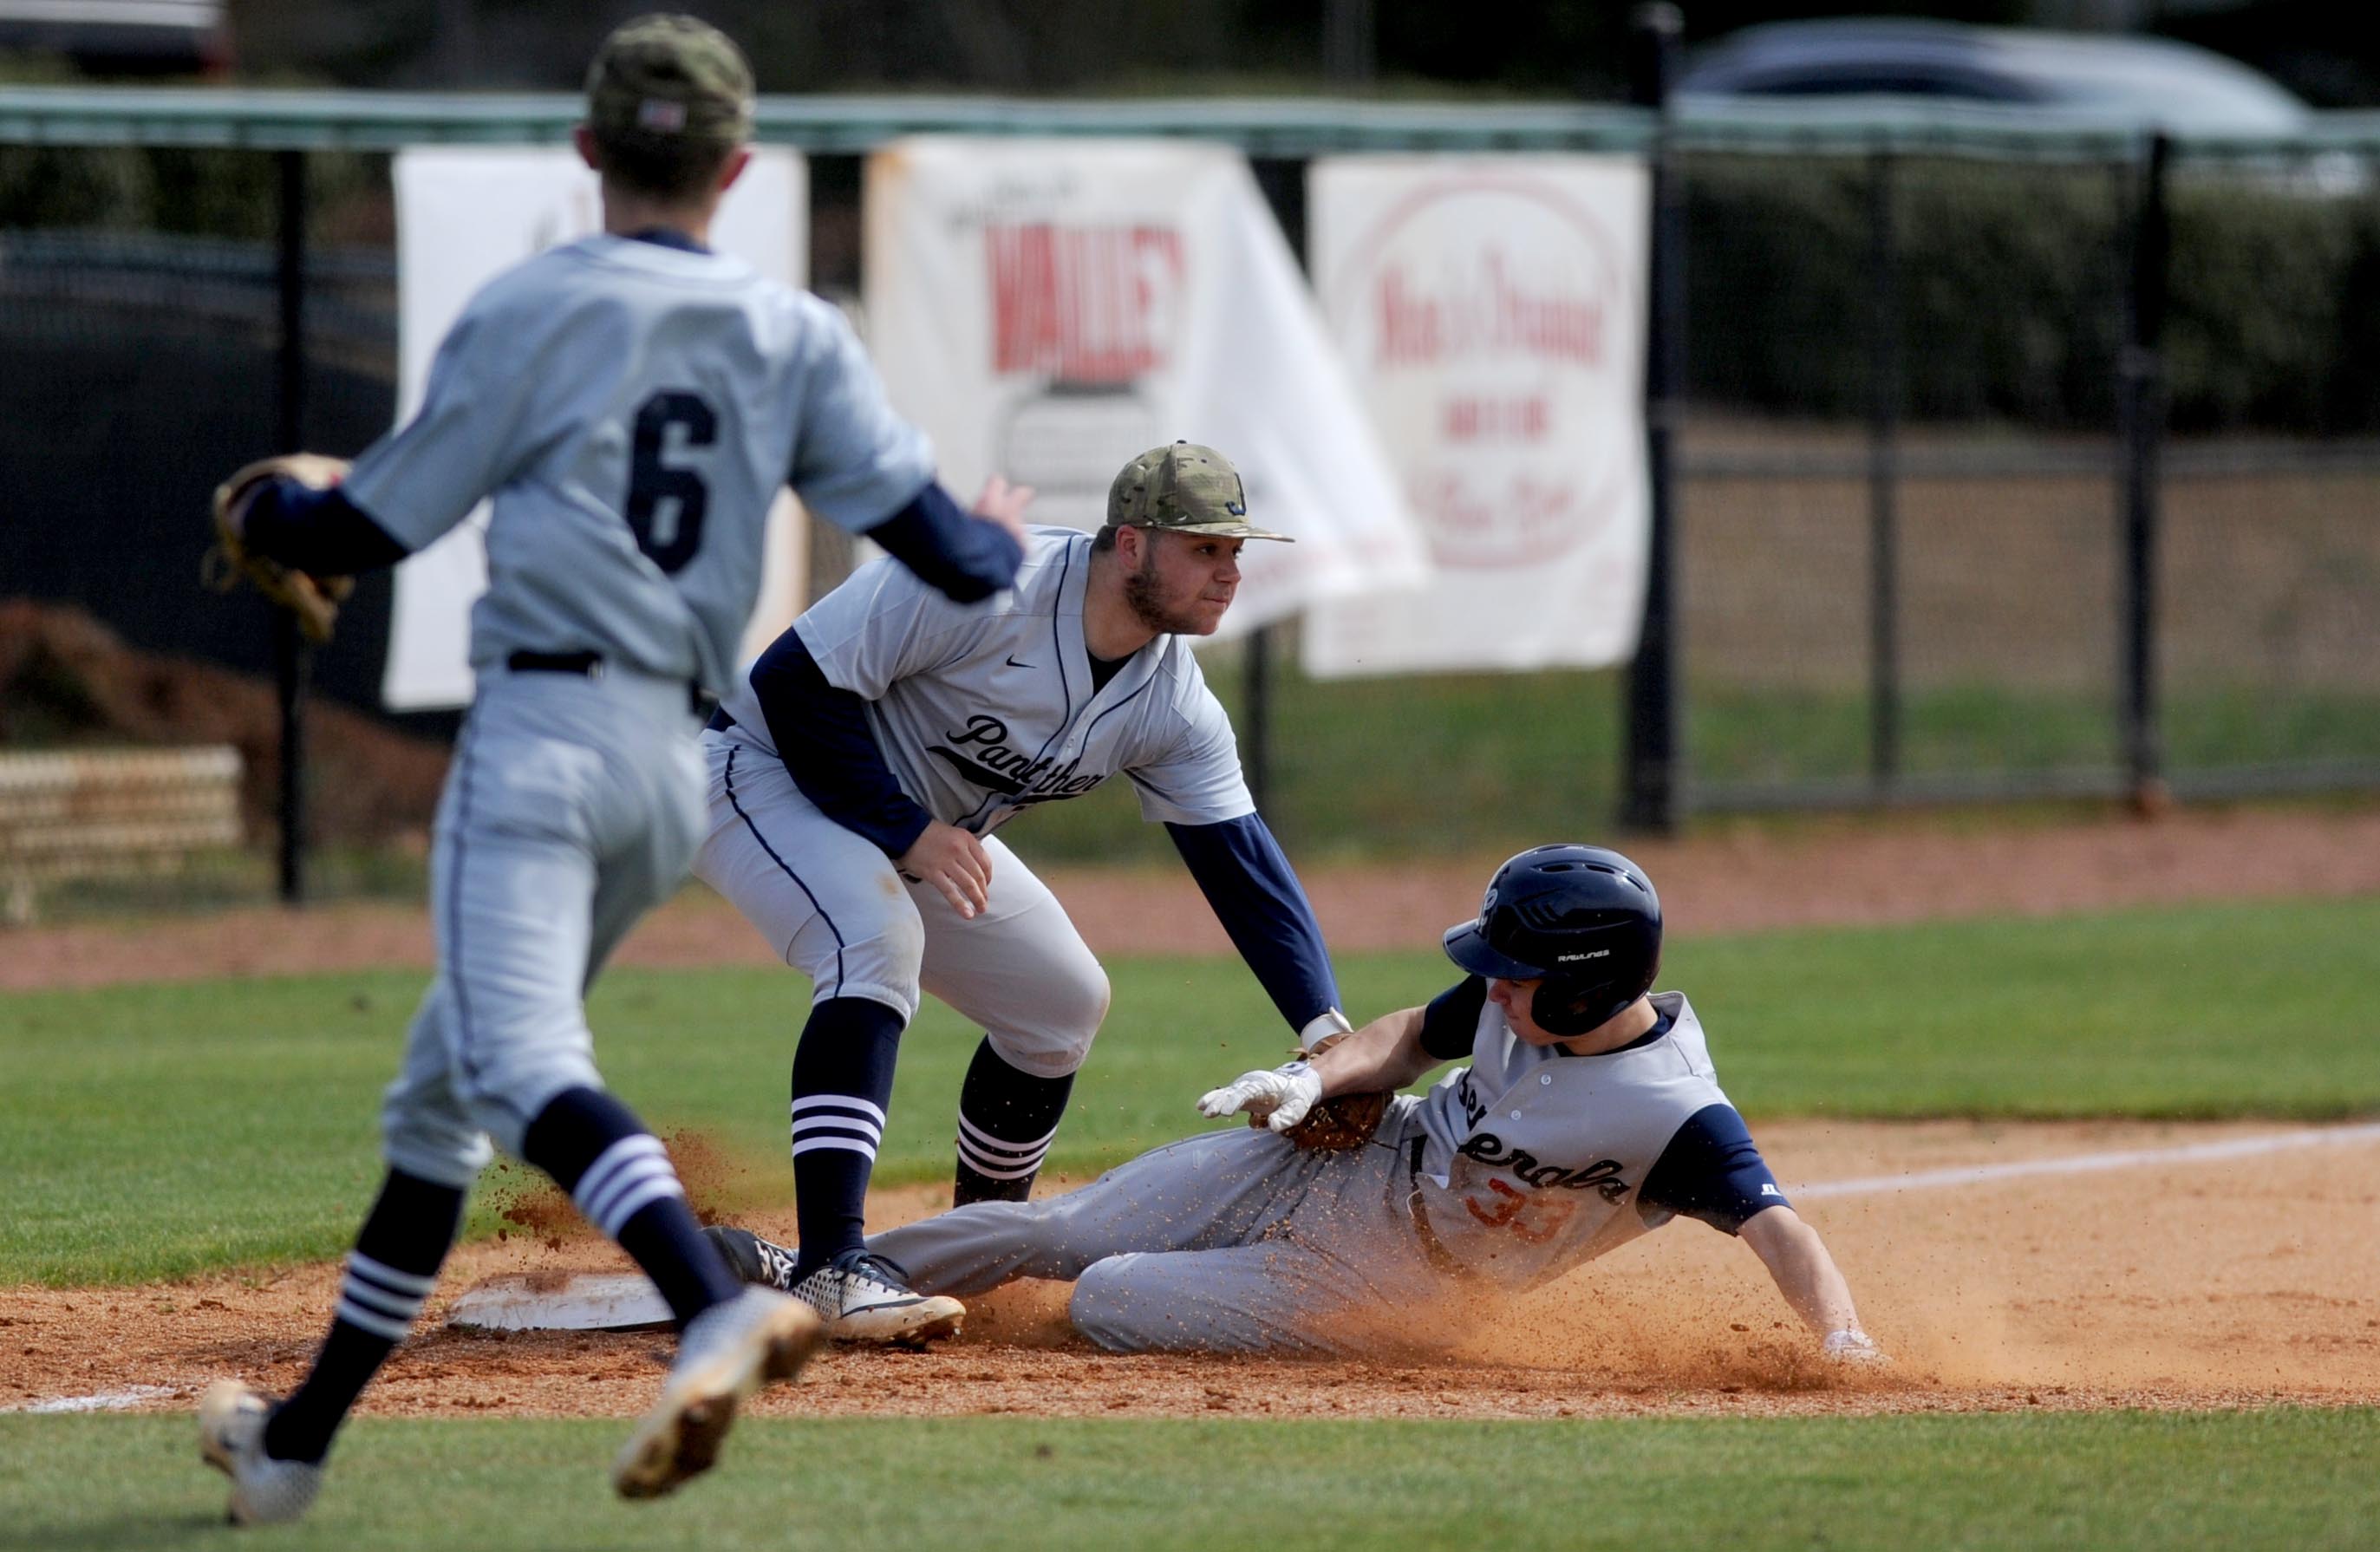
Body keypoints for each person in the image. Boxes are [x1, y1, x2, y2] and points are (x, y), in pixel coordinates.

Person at [193, 15, 1026, 1526]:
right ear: (738, 166)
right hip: (670, 762)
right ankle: (293, 1445)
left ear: (588, 151)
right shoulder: (792, 333)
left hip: (542, 740)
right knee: (442, 1103)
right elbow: (965, 560)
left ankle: (711, 1305)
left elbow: (368, 525)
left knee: (521, 1066)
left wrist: (268, 515)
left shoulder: (531, 305)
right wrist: (992, 531)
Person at [741, 844, 1890, 1362]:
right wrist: (1315, 1074)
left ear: (1588, 982)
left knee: (1107, 1293)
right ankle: (827, 1271)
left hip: (1390, 1286)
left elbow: (1779, 1227)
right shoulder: (1520, 999)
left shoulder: (1673, 1113)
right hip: (1353, 1162)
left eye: (1516, 970)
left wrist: (1842, 1340)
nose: (1494, 984)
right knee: (1062, 1225)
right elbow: (1408, 1035)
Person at [694, 441, 1351, 1344]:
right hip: (759, 766)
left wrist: (1325, 1033)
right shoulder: (984, 584)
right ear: (1131, 544)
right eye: (1204, 548)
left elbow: (1241, 864)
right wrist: (905, 829)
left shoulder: (1169, 701)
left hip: (916, 827)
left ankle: (969, 1250)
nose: (1229, 573)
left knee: (1060, 1002)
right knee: (874, 943)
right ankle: (831, 1267)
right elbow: (792, 684)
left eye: (1235, 551)